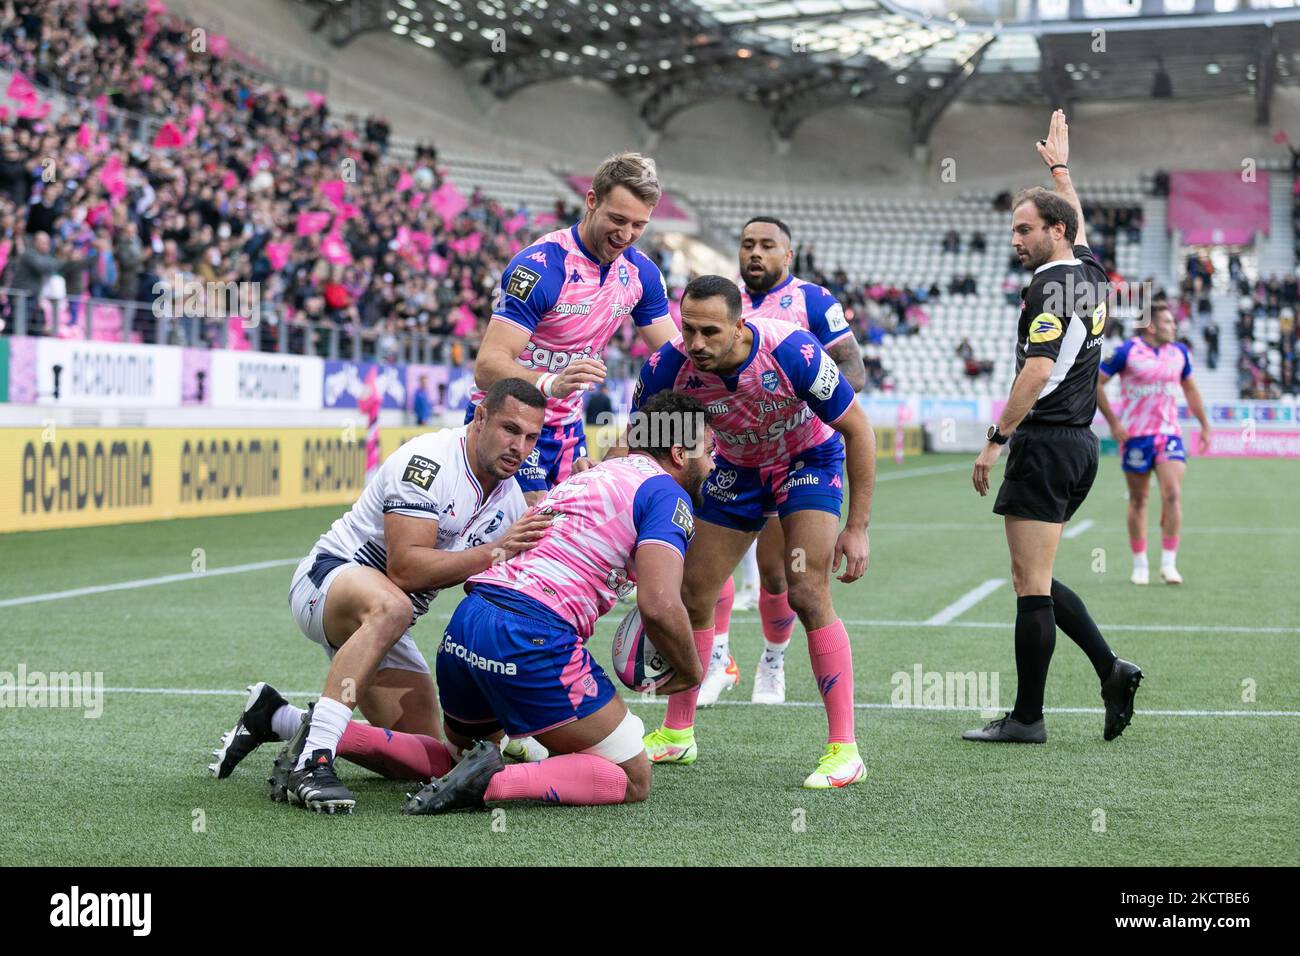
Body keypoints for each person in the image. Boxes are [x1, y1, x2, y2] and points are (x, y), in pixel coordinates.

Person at [209, 379, 551, 813]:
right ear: (480, 417)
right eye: (509, 429)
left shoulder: (510, 499)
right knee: (394, 605)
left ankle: (275, 717)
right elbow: (405, 569)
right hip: (328, 582)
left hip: (386, 622)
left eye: (530, 437)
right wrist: (497, 549)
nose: (518, 446)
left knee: (428, 757)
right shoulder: (428, 462)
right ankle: (312, 765)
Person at [402, 391, 712, 813]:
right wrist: (693, 671)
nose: (713, 465)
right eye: (709, 452)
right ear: (679, 452)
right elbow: (658, 603)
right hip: (531, 637)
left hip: (467, 624)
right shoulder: (666, 494)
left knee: (456, 756)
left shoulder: (591, 474)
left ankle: (326, 734)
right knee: (631, 777)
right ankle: (491, 783)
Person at [624, 275, 876, 789]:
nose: (695, 344)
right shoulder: (668, 366)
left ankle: (845, 750)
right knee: (692, 593)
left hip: (807, 460)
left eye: (710, 332)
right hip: (736, 472)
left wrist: (858, 527)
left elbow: (857, 429)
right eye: (688, 329)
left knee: (806, 591)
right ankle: (677, 733)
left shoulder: (792, 350)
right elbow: (641, 448)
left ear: (740, 325)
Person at [967, 109, 1142, 746]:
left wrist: (994, 440)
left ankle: (1029, 718)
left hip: (1045, 441)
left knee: (1029, 584)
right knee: (1032, 578)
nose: (1015, 239)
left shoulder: (1048, 290)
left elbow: (1036, 371)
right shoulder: (1089, 275)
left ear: (1054, 232)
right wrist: (1060, 171)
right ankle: (1109, 670)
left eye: (1025, 229)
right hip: (1079, 445)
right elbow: (1081, 223)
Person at [702, 215, 868, 708]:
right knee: (704, 569)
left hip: (796, 452)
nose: (755, 253)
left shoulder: (811, 300)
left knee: (779, 574)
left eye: (767, 245)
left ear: (787, 255)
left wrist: (805, 399)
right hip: (730, 453)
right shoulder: (721, 302)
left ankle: (772, 660)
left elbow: (853, 368)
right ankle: (718, 660)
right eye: (747, 244)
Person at [468, 152, 678, 503]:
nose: (626, 234)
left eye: (639, 225)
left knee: (576, 537)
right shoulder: (541, 267)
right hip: (509, 422)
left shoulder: (642, 274)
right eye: (617, 219)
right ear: (591, 201)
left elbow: (675, 358)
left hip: (568, 432)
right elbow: (487, 367)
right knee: (532, 529)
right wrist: (553, 384)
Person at [1096, 303, 1211, 585]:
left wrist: (1205, 425)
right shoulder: (1126, 351)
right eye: (1168, 322)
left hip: (1169, 434)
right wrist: (1113, 422)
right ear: (1151, 326)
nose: (1174, 327)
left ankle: (1169, 564)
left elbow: (1191, 389)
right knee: (1139, 499)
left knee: (1172, 494)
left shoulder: (1180, 353)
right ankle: (1140, 564)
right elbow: (1096, 383)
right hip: (1136, 437)